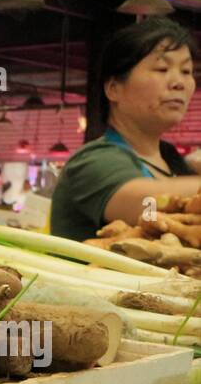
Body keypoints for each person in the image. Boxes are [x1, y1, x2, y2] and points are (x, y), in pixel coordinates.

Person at [50, 18, 201, 242]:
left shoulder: (174, 162)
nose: (179, 82)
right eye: (162, 68)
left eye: (187, 70)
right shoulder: (94, 161)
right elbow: (150, 203)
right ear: (114, 89)